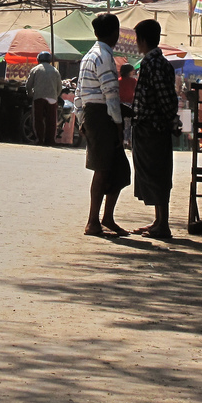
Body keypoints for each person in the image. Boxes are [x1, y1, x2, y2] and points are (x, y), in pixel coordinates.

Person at [75, 12, 131, 237]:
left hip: (92, 114)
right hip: (102, 116)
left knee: (116, 168)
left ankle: (106, 217)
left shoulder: (89, 55)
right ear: (115, 33)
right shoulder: (104, 57)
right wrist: (117, 123)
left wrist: (81, 118)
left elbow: (79, 93)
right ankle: (93, 220)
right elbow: (110, 93)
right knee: (102, 168)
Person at [130, 19, 179, 239]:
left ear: (143, 40)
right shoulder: (158, 63)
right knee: (153, 173)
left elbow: (165, 98)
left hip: (152, 127)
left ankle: (163, 224)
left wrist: (169, 118)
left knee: (156, 174)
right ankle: (159, 220)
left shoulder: (153, 64)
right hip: (151, 126)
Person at [25, 51, 62, 146]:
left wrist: (29, 93)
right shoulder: (55, 70)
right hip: (52, 98)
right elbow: (59, 87)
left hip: (39, 97)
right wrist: (56, 96)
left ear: (38, 60)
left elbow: (29, 84)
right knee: (52, 121)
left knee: (38, 120)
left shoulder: (35, 69)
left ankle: (40, 140)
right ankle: (50, 141)